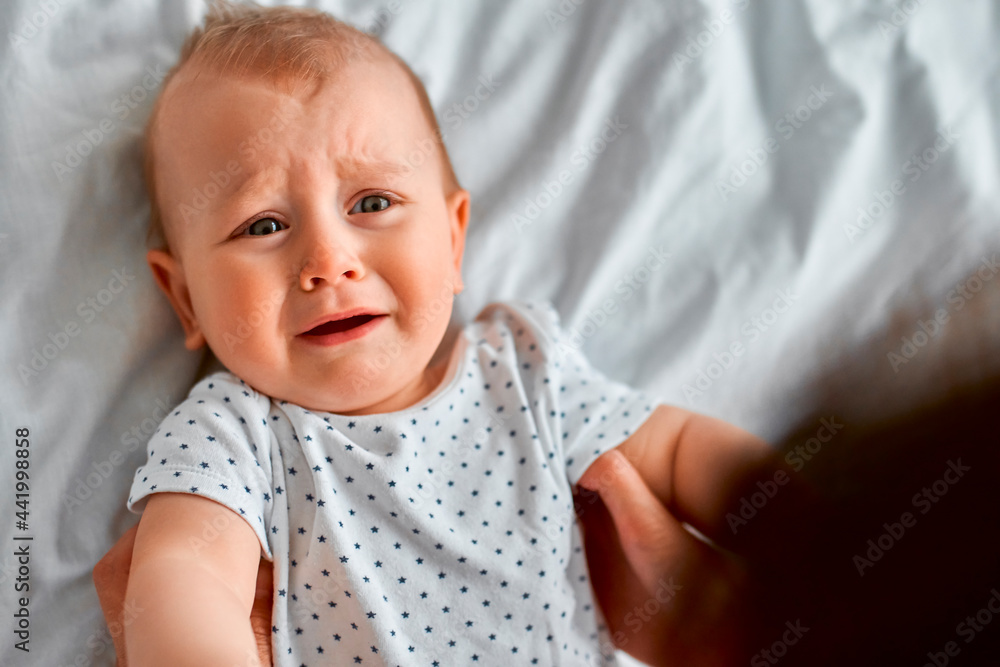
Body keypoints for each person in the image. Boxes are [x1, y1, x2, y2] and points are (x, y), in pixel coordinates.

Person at [97, 2, 778, 665]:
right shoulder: (235, 433)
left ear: (453, 243)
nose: (330, 261)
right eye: (264, 225)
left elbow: (681, 447)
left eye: (372, 203)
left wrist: (807, 529)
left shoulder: (521, 371)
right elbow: (185, 577)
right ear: (186, 298)